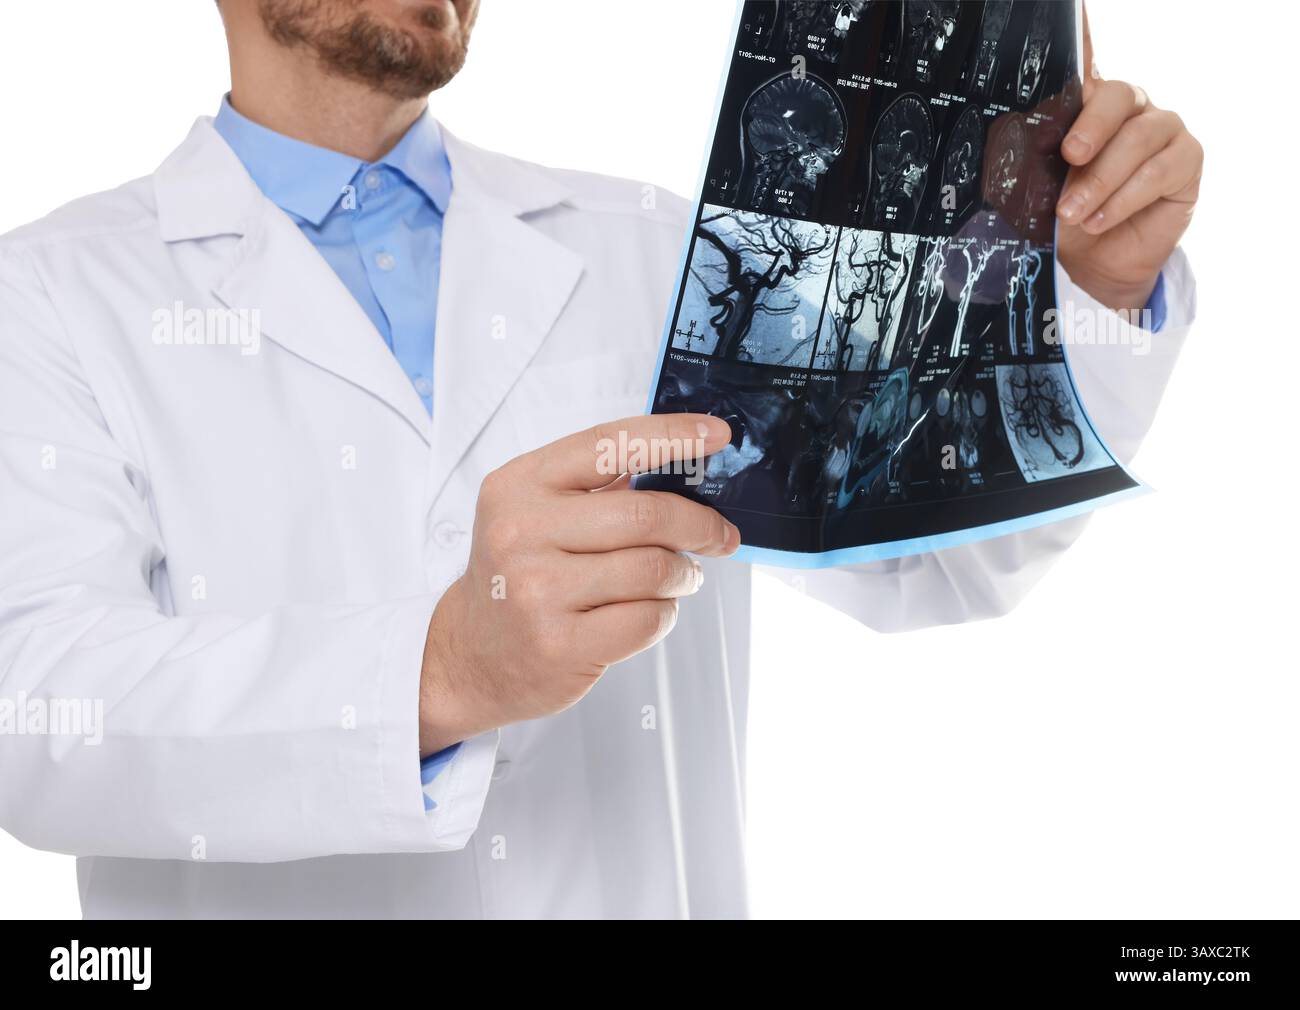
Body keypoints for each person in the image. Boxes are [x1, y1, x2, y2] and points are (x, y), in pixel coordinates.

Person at [0, 0, 1200, 918]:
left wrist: (1089, 293)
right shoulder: (48, 296)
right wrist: (440, 669)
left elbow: (934, 557)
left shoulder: (653, 249)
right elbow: (36, 711)